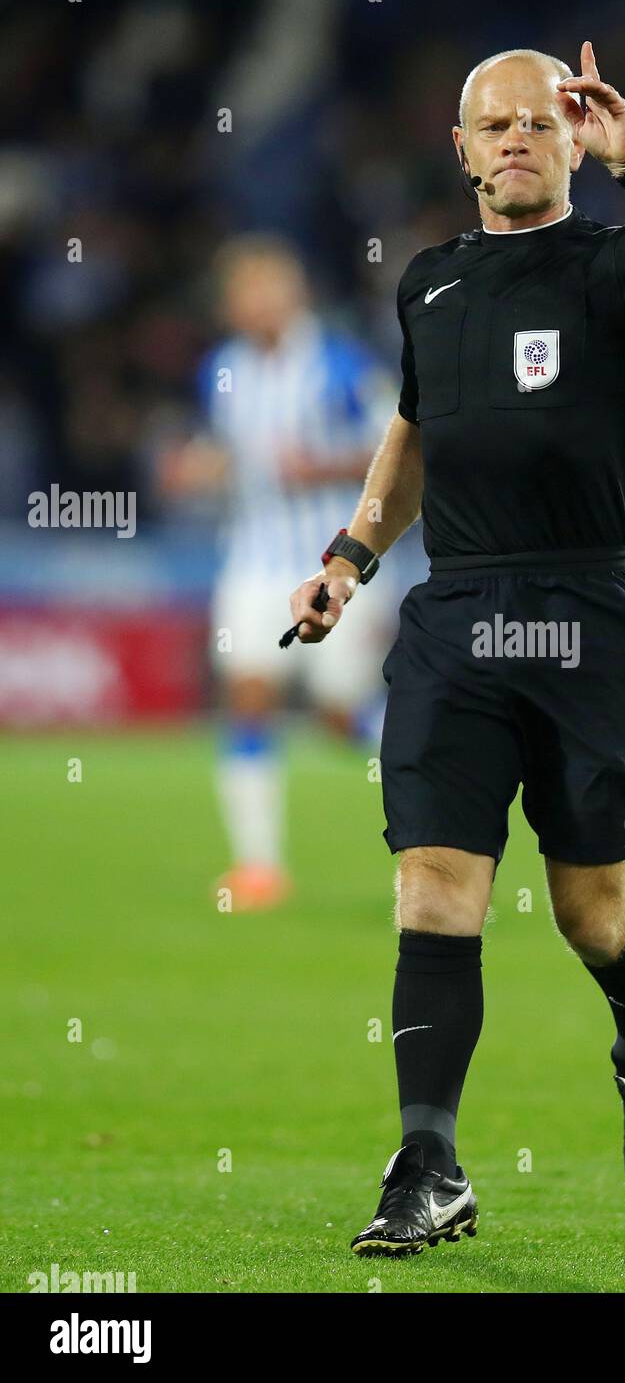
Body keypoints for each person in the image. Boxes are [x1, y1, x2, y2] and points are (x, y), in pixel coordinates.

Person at [288, 41, 625, 1255]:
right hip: (454, 616)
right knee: (432, 890)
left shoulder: (617, 266)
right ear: (460, 151)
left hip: (585, 618)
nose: (514, 137)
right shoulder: (429, 284)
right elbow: (413, 433)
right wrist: (350, 556)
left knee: (591, 913)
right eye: (491, 124)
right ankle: (427, 1161)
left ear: (570, 140)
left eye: (538, 123)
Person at [164, 236, 395, 910]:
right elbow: (231, 454)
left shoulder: (340, 363)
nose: (257, 305)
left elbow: (398, 453)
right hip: (253, 561)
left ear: (295, 295)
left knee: (337, 713)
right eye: (245, 294)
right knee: (247, 695)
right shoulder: (222, 371)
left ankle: (441, 768)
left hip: (335, 561)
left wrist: (322, 466)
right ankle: (259, 867)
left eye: (269, 290)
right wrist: (200, 470)